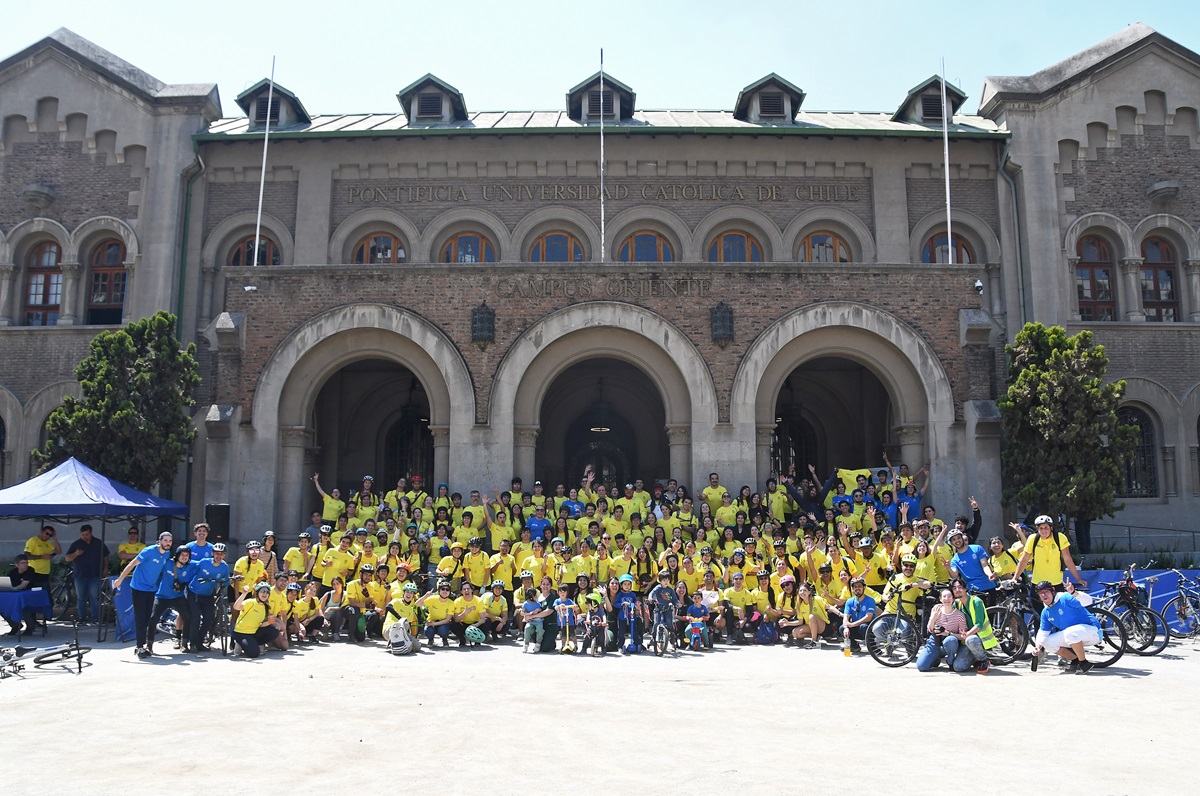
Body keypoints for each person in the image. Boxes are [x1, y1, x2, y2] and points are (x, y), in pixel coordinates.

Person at [113, 531, 174, 659]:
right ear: (160, 541)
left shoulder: (167, 554)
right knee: (140, 617)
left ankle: (143, 645)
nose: (168, 543)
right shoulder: (148, 551)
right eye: (165, 541)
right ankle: (139, 647)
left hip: (151, 589)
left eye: (170, 541)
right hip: (139, 588)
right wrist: (120, 580)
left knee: (147, 618)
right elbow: (131, 564)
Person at [1032, 580, 1103, 674]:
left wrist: (1074, 593)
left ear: (1053, 592)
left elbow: (1088, 600)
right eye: (1041, 593)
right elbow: (1043, 632)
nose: (1044, 595)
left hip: (1093, 631)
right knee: (1047, 643)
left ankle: (1084, 663)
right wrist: (1037, 647)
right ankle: (1076, 660)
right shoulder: (1046, 612)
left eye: (1046, 592)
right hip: (1074, 635)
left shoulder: (1065, 598)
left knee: (1070, 632)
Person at [1011, 515, 1087, 591]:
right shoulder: (1033, 539)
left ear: (1051, 528)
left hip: (1055, 583)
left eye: (1046, 528)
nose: (1044, 531)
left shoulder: (1060, 538)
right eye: (1041, 528)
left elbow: (1068, 560)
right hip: (1037, 583)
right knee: (1035, 602)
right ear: (1037, 529)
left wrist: (1078, 579)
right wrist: (1015, 578)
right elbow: (1024, 559)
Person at [150, 547, 195, 653]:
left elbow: (203, 564)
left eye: (187, 555)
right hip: (162, 596)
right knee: (153, 618)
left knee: (187, 617)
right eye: (182, 555)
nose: (184, 557)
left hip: (178, 597)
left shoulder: (191, 565)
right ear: (177, 555)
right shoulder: (168, 563)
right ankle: (149, 645)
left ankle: (183, 643)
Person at [187, 542, 229, 653]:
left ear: (224, 555)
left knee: (208, 618)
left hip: (208, 594)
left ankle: (200, 642)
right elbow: (191, 572)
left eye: (221, 554)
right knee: (195, 618)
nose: (218, 556)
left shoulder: (224, 567)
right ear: (212, 553)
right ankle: (192, 643)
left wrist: (227, 583)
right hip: (194, 592)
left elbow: (226, 580)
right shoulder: (204, 562)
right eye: (216, 553)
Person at [64, 524, 110, 624]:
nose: (85, 537)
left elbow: (106, 555)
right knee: (81, 598)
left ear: (91, 533)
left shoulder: (98, 543)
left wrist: (105, 568)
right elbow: (67, 558)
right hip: (80, 575)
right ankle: (82, 618)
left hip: (95, 574)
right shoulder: (76, 544)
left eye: (87, 534)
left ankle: (95, 619)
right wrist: (76, 554)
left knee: (94, 597)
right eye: (83, 535)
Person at [915, 588, 970, 671]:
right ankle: (936, 657)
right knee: (921, 666)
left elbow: (963, 636)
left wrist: (948, 633)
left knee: (950, 640)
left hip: (950, 640)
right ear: (940, 599)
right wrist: (933, 618)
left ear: (953, 599)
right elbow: (929, 629)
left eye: (949, 596)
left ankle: (950, 660)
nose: (947, 599)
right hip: (935, 638)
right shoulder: (936, 609)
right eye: (944, 597)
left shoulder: (959, 615)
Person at [231, 582, 286, 658]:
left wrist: (269, 622)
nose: (265, 594)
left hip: (254, 632)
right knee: (254, 654)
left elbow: (261, 625)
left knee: (274, 630)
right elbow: (236, 607)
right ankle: (240, 643)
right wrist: (244, 594)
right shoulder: (251, 602)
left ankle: (257, 643)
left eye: (267, 592)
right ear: (257, 593)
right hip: (241, 632)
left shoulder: (265, 607)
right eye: (263, 591)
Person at [952, 578, 996, 673]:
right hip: (966, 640)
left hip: (979, 638)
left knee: (970, 639)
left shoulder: (976, 601)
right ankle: (975, 658)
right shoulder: (957, 604)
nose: (957, 590)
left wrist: (967, 634)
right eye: (954, 588)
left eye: (960, 587)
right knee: (958, 667)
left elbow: (979, 624)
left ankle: (984, 659)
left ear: (965, 589)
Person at [4, 555, 40, 635]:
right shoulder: (12, 572)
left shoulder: (30, 571)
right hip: (15, 595)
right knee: (2, 605)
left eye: (26, 562)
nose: (25, 564)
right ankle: (15, 625)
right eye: (23, 563)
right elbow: (8, 584)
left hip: (30, 595)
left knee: (22, 604)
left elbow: (23, 585)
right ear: (17, 565)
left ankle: (30, 626)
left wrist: (13, 589)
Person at [841, 577, 877, 653]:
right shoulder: (849, 601)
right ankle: (854, 646)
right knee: (842, 628)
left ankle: (874, 647)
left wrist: (852, 624)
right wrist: (846, 627)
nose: (857, 588)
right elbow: (846, 616)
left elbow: (868, 617)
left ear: (864, 587)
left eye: (859, 586)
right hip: (855, 627)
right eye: (855, 587)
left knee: (863, 626)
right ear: (853, 589)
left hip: (867, 628)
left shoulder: (870, 600)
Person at [520, 587, 545, 653]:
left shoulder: (537, 603)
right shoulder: (525, 604)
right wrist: (528, 614)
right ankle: (526, 644)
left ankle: (538, 643)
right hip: (530, 620)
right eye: (535, 595)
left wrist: (538, 610)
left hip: (538, 620)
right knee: (527, 628)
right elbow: (522, 613)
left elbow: (541, 608)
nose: (536, 597)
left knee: (540, 629)